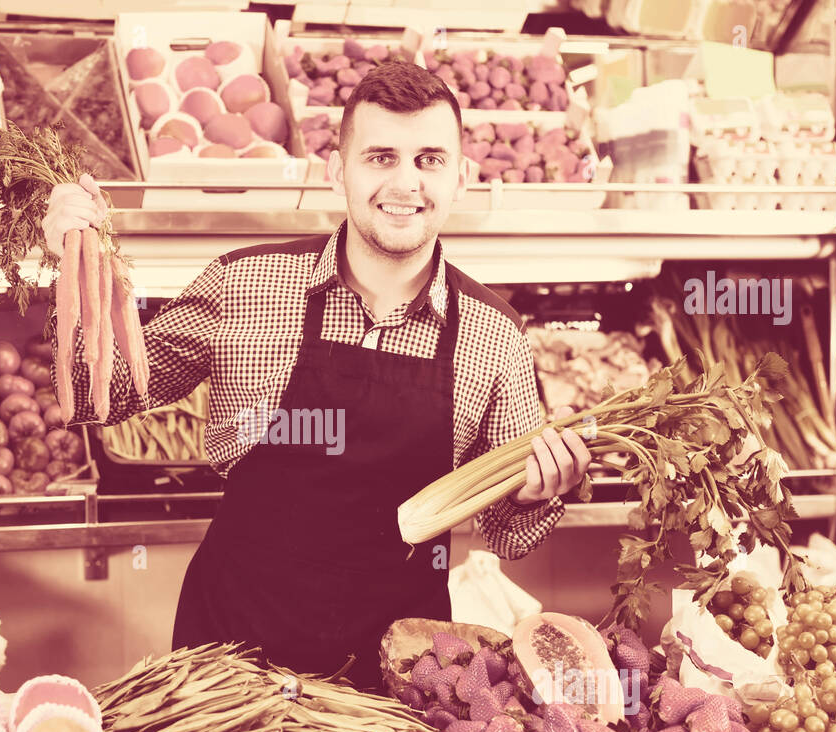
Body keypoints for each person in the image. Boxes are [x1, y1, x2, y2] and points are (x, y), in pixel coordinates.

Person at [42, 61, 591, 691]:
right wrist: (71, 265)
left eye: (430, 159)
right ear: (338, 172)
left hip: (396, 672)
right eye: (381, 156)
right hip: (230, 656)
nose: (406, 182)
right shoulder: (244, 284)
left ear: (461, 177)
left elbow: (505, 534)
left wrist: (538, 492)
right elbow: (95, 395)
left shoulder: (496, 336)